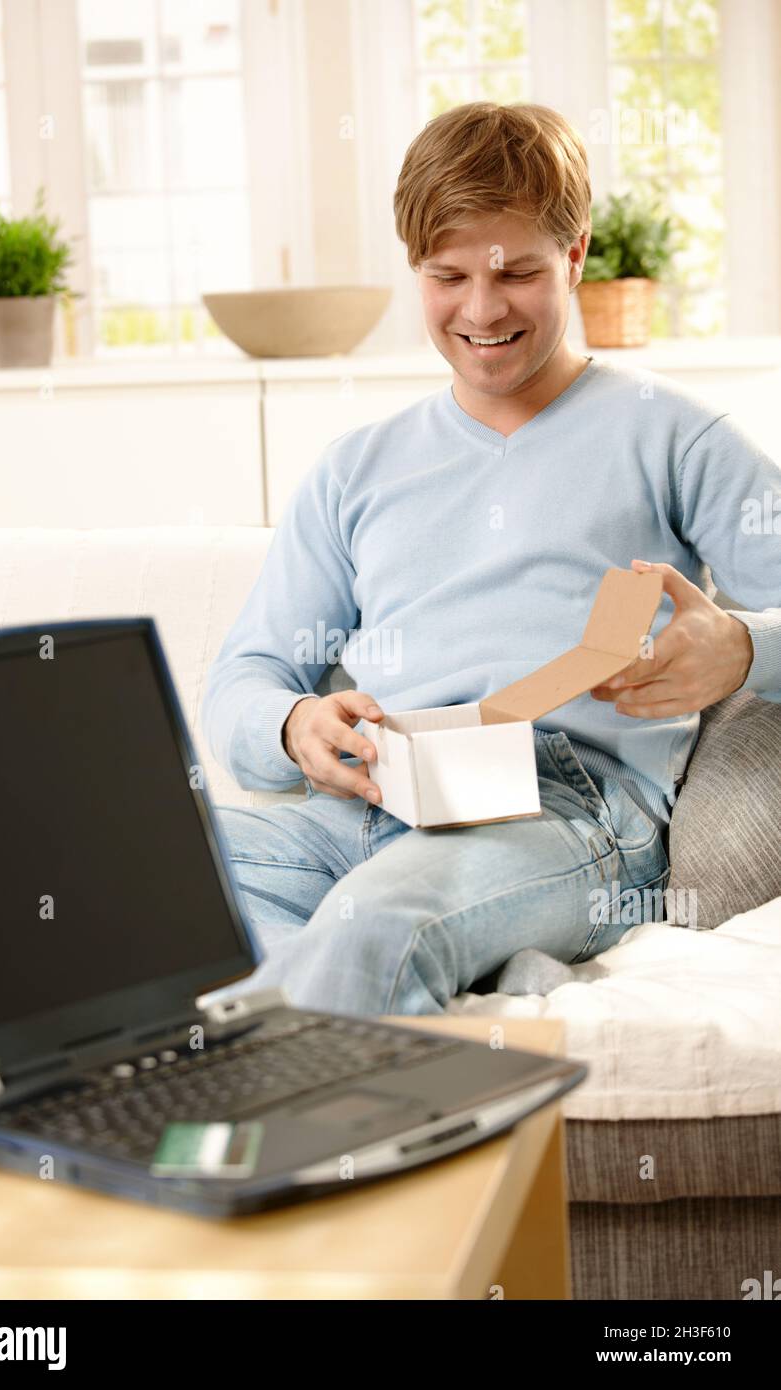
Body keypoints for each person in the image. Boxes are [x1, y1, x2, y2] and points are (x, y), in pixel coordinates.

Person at [199, 102, 781, 1018]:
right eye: (449, 275)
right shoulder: (358, 468)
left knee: (371, 927)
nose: (481, 308)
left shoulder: (674, 436)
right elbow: (244, 677)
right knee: (126, 895)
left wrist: (744, 648)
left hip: (563, 811)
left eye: (517, 271)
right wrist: (294, 724)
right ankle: (363, 1014)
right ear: (416, 273)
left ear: (577, 255)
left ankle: (300, 1086)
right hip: (366, 804)